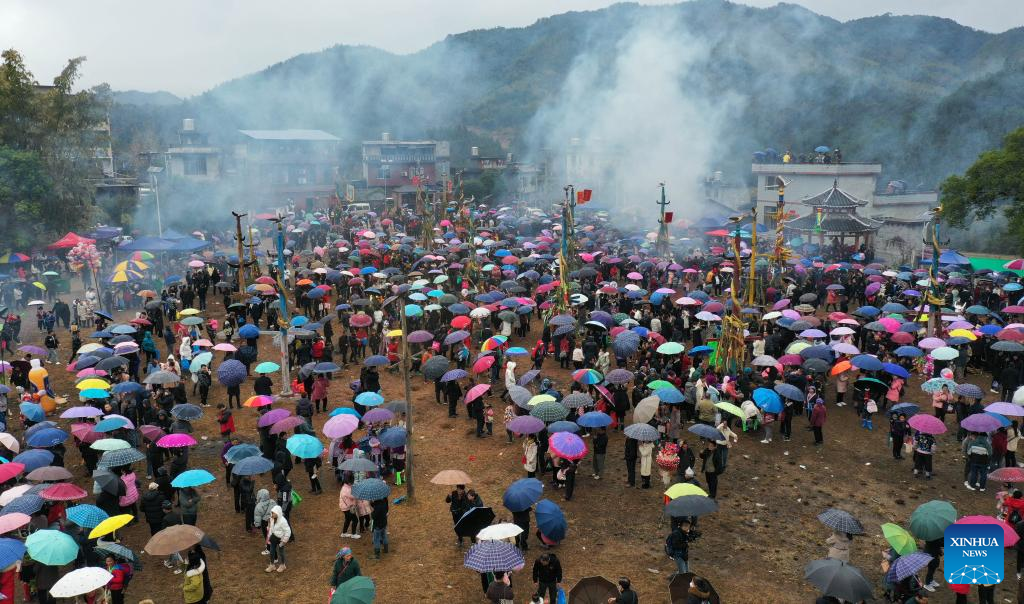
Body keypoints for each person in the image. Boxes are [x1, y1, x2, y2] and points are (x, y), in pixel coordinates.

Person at [266, 505, 291, 573]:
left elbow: (288, 531)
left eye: (274, 513)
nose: (272, 514)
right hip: (273, 538)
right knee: (272, 551)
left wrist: (284, 541)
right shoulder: (271, 519)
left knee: (281, 552)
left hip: (280, 539)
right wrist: (269, 536)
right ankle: (272, 565)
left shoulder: (283, 521)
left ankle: (283, 565)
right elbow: (271, 528)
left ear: (278, 513)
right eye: (272, 513)